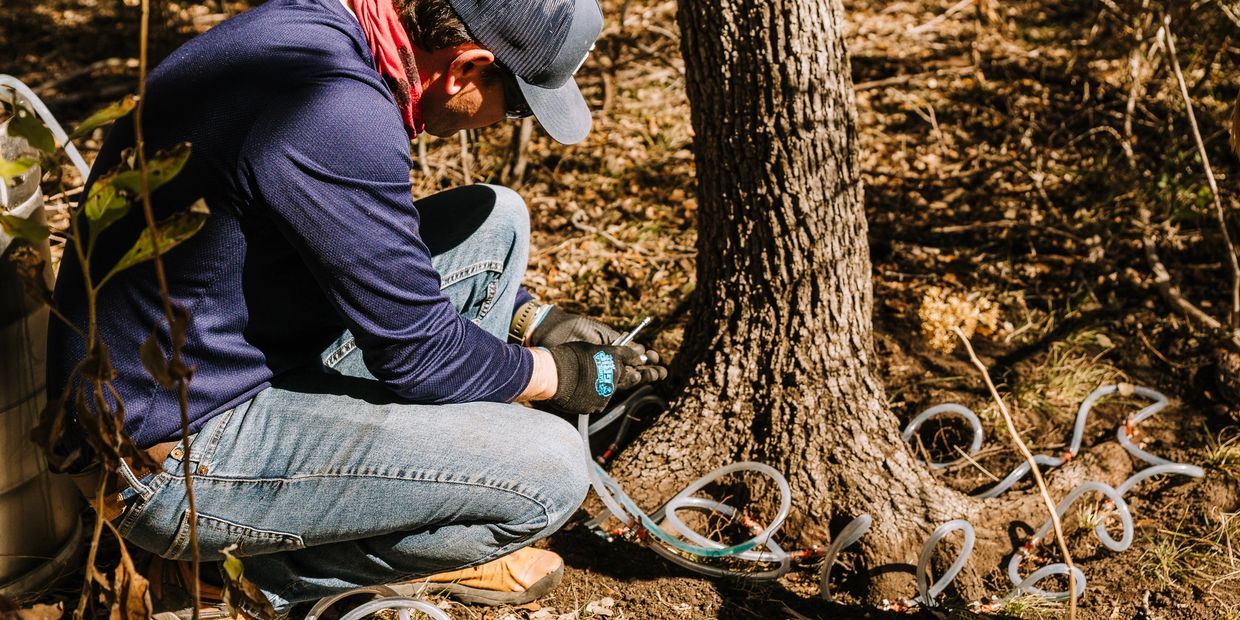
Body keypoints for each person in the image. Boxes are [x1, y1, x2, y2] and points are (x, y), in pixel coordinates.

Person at [47, 0, 667, 615]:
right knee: (551, 472)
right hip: (171, 454)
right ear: (466, 69)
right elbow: (423, 357)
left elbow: (366, 249)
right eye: (518, 105)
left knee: (496, 220)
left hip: (218, 356)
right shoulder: (335, 111)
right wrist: (559, 373)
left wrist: (533, 320)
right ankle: (229, 576)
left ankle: (401, 499)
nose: (504, 123)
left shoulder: (326, 30)